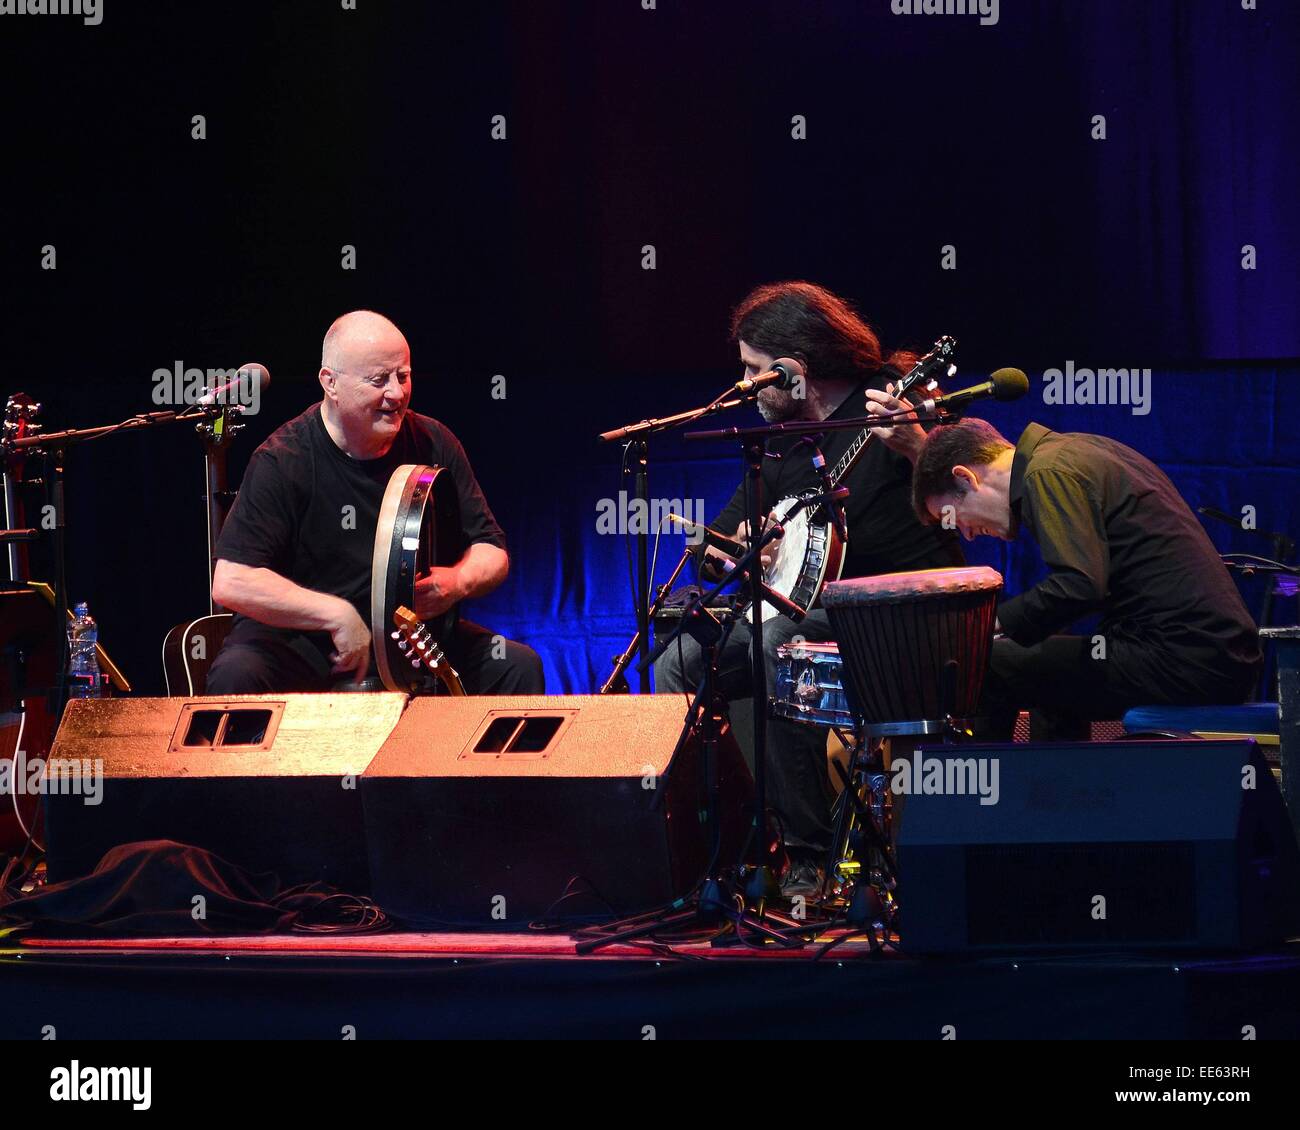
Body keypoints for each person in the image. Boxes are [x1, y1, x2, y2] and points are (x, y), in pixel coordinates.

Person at [654, 281, 963, 892]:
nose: (744, 386)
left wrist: (918, 449)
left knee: (778, 644)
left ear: (794, 370)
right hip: (807, 617)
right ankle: (722, 845)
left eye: (753, 372)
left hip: (897, 615)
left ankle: (806, 857)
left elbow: (971, 508)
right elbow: (712, 554)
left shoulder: (896, 410)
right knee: (680, 664)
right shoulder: (781, 447)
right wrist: (741, 547)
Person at [205, 310, 544, 695]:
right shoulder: (283, 459)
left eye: (404, 375)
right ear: (330, 383)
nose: (396, 393)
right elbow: (232, 581)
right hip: (303, 643)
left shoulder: (434, 441)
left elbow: (492, 550)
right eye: (378, 380)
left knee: (516, 666)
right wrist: (334, 614)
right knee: (237, 673)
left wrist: (457, 581)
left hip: (408, 640)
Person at [909, 418, 1261, 739]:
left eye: (952, 517)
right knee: (1045, 670)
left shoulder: (1048, 472)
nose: (967, 535)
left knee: (985, 663)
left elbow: (1079, 585)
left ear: (965, 478)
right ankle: (1056, 796)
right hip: (1216, 656)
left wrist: (988, 625)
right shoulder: (1077, 450)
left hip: (1186, 659)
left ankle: (983, 796)